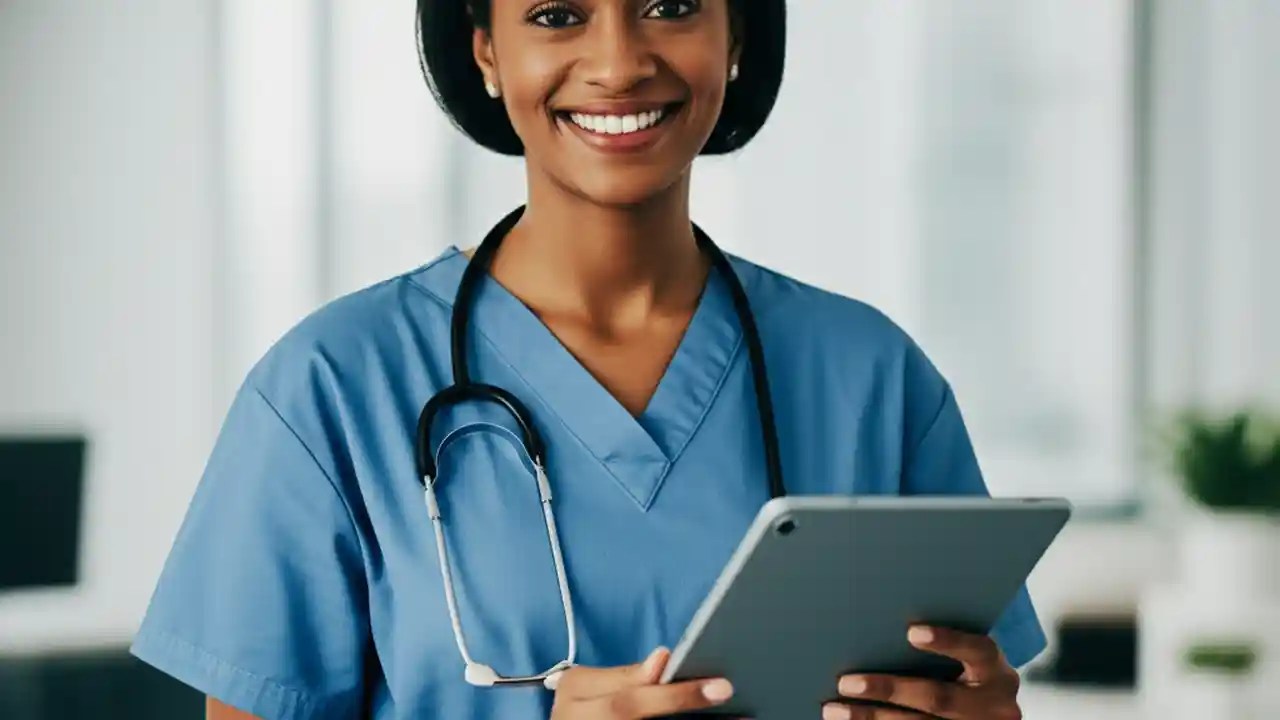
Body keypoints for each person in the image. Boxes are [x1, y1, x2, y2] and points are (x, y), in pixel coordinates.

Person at [131, 1, 1046, 718]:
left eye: (673, 4)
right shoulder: (331, 387)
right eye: (556, 15)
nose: (618, 63)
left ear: (738, 34)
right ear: (485, 48)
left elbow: (961, 680)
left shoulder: (872, 377)